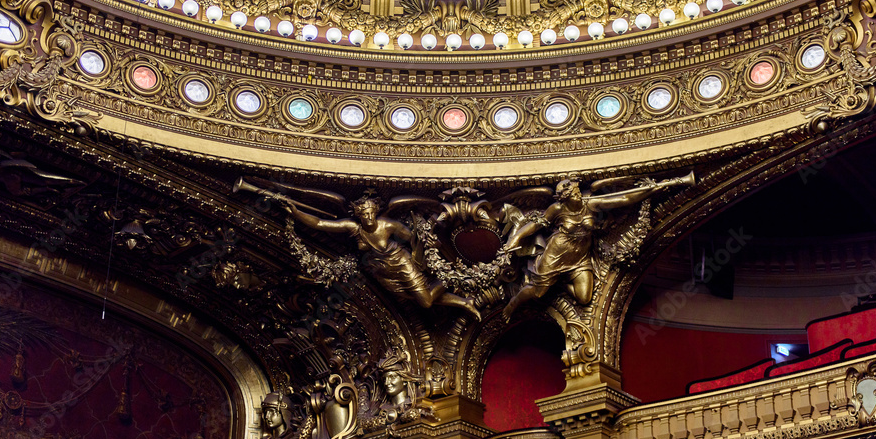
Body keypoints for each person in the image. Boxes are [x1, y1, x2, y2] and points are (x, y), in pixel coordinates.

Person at [502, 173, 693, 319]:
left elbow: (624, 199)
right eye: (574, 194)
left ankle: (558, 282)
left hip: (580, 256)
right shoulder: (557, 209)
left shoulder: (591, 204)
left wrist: (651, 190)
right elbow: (534, 225)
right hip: (557, 252)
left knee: (584, 297)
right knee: (537, 292)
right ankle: (513, 303)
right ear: (565, 197)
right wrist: (516, 238)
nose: (578, 196)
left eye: (578, 192)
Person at [284, 194, 482, 320]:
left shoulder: (388, 225)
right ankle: (465, 302)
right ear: (359, 215)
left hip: (402, 264)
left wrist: (431, 243)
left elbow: (414, 239)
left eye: (371, 213)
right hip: (382, 273)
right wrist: (297, 213)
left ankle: (447, 278)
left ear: (376, 212)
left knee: (426, 301)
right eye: (365, 215)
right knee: (413, 298)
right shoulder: (354, 228)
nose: (369, 218)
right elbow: (320, 223)